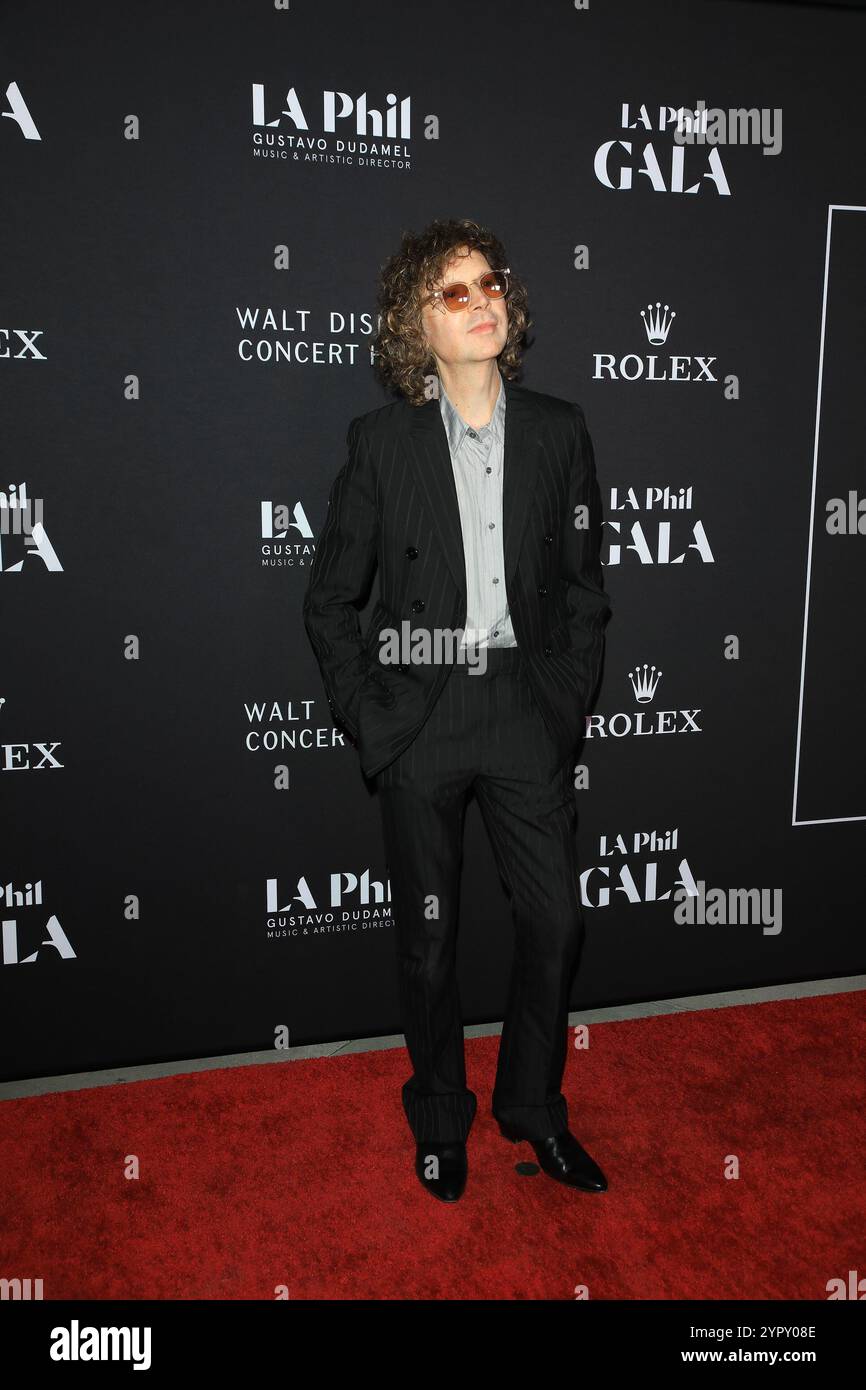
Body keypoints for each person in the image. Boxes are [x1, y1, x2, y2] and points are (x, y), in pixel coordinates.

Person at [303, 217, 613, 1202]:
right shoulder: (382, 442)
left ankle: (531, 1108)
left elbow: (578, 589)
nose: (480, 300)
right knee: (429, 940)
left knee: (555, 922)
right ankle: (440, 1117)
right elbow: (329, 598)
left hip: (523, 704)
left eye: (491, 284)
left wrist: (561, 700)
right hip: (419, 713)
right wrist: (368, 711)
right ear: (413, 323)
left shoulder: (560, 431)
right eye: (453, 291)